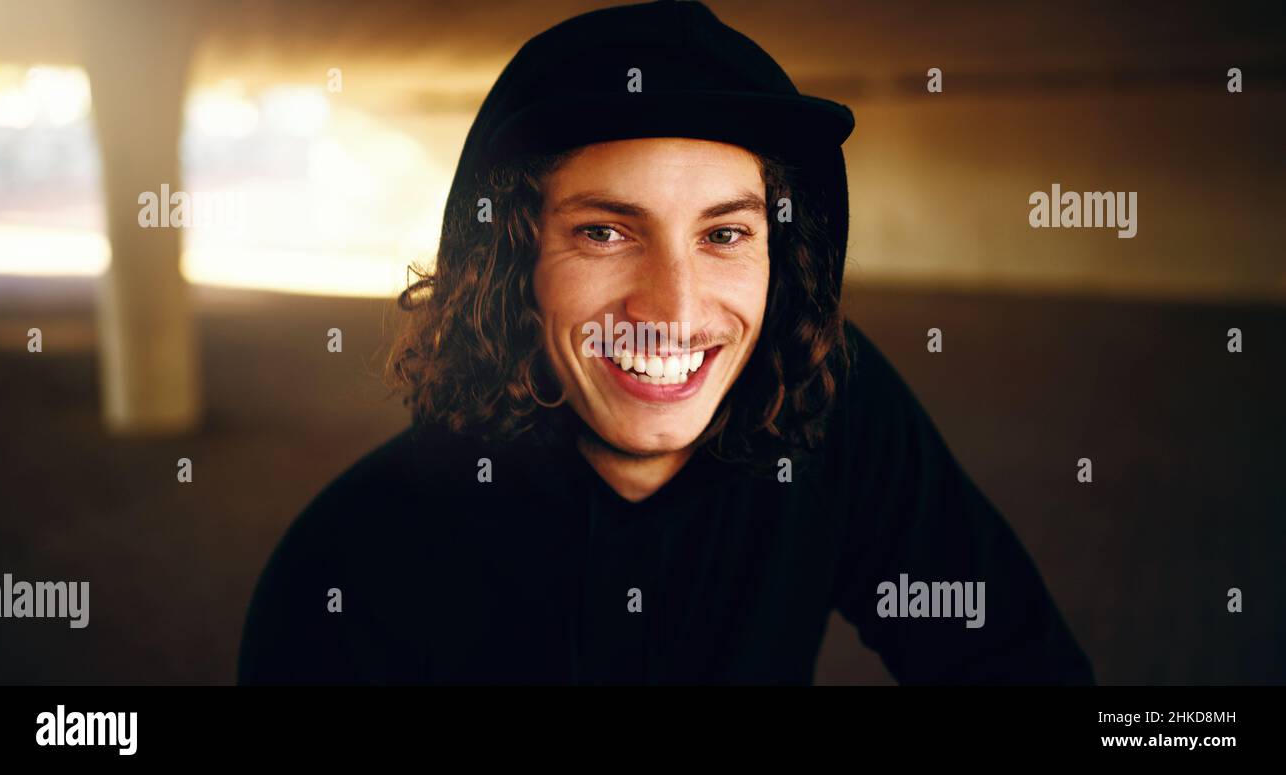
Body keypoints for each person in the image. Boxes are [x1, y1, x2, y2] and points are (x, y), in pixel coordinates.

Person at [238, 0, 1094, 685]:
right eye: (606, 232)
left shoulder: (827, 403)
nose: (675, 309)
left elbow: (1010, 658)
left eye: (724, 235)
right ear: (510, 264)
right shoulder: (347, 570)